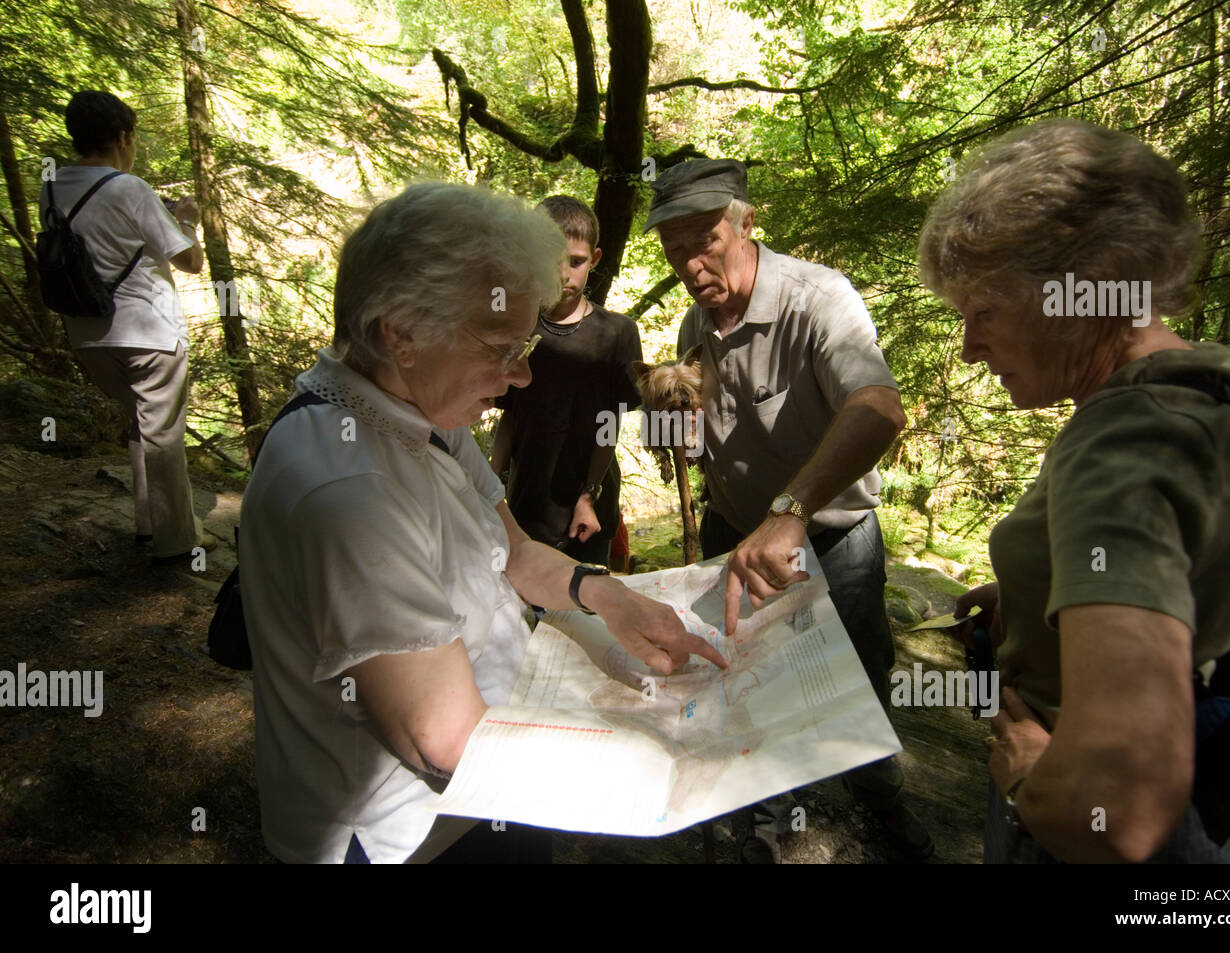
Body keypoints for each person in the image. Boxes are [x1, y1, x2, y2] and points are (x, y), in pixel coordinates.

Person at [239, 182, 726, 864]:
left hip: (489, 784)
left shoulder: (418, 412)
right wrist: (658, 749)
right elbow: (446, 743)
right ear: (399, 334)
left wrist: (609, 595)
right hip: (412, 833)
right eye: (501, 347)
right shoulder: (352, 486)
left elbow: (515, 553)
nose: (521, 375)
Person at [918, 118, 1230, 863]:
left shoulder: (1121, 437)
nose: (970, 345)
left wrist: (1028, 783)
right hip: (1209, 810)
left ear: (1084, 289)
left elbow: (1117, 808)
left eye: (984, 311)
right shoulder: (1203, 392)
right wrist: (1037, 585)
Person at [647, 158, 933, 860]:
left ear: (746, 222)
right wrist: (676, 423)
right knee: (745, 688)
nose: (689, 261)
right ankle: (768, 828)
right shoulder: (697, 318)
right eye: (672, 246)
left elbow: (878, 408)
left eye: (703, 238)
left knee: (851, 690)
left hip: (834, 541)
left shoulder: (817, 299)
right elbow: (698, 430)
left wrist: (792, 508)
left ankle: (886, 813)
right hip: (733, 535)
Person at [41, 91, 208, 562]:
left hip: (88, 335)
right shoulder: (130, 189)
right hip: (149, 335)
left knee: (139, 423)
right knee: (163, 434)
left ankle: (147, 524)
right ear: (121, 137)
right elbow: (190, 261)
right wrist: (189, 222)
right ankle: (178, 545)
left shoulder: (51, 187)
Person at [491, 196, 643, 567]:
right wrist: (490, 487)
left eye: (576, 262)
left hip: (588, 511)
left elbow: (610, 423)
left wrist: (589, 495)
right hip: (526, 505)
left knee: (586, 610)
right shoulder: (518, 326)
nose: (563, 274)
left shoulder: (617, 333)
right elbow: (508, 417)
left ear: (595, 258)